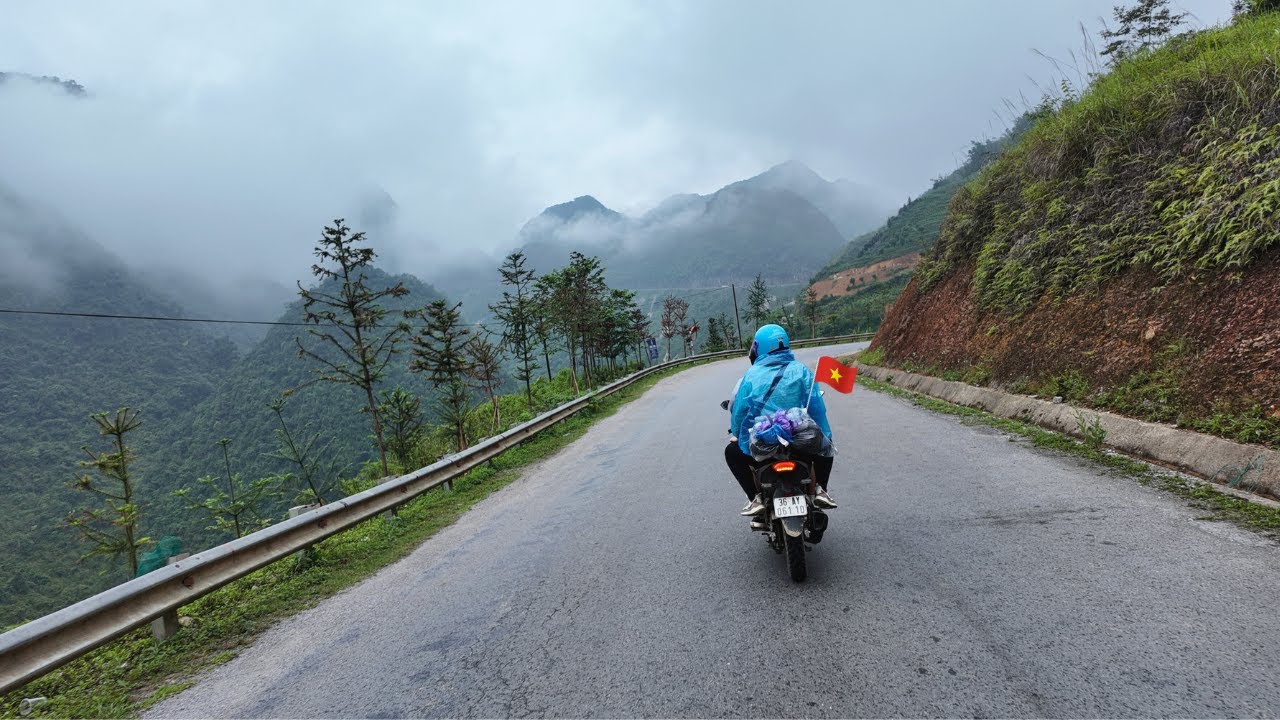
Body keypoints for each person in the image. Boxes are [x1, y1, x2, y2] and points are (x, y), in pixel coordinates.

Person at [725, 324, 836, 518]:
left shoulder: (750, 376)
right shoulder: (801, 370)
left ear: (758, 347)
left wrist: (737, 434)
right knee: (825, 444)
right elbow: (817, 407)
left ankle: (755, 498)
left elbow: (740, 413)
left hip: (763, 443)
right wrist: (825, 435)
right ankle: (820, 489)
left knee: (731, 453)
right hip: (800, 440)